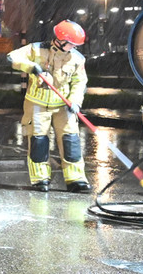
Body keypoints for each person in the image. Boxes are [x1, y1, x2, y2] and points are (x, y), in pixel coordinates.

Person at [6, 19, 91, 193]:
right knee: (39, 141)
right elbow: (12, 57)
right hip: (37, 103)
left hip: (63, 105)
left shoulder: (77, 58)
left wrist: (75, 101)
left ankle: (76, 179)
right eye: (71, 44)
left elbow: (79, 82)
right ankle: (40, 179)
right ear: (60, 40)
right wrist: (31, 67)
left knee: (71, 141)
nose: (73, 47)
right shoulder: (36, 49)